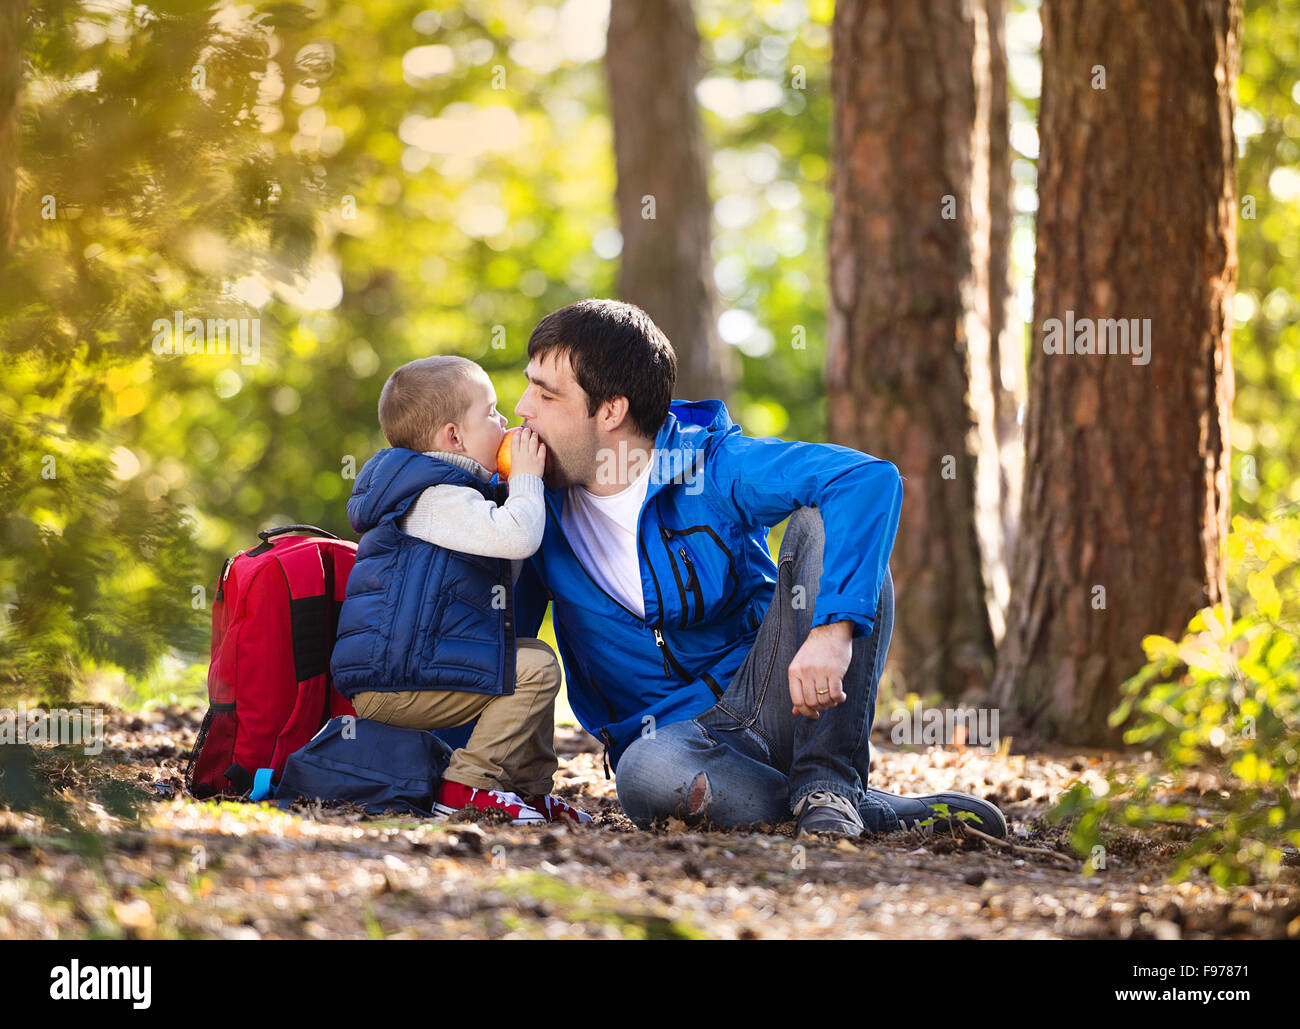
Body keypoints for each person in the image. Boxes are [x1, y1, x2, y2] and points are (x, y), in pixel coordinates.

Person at [510, 299, 1008, 839]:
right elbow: (488, 640)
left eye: (545, 394)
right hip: (677, 745)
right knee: (646, 773)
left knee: (821, 524)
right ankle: (861, 813)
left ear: (610, 411)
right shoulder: (530, 506)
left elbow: (867, 479)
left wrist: (832, 631)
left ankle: (829, 786)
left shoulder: (713, 467)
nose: (521, 408)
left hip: (783, 698)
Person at [330, 355, 591, 826]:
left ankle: (526, 792)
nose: (505, 420)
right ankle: (469, 787)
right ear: (454, 436)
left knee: (531, 659)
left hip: (409, 667)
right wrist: (528, 479)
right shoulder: (434, 499)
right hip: (397, 680)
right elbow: (517, 537)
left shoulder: (449, 492)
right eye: (491, 412)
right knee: (534, 669)